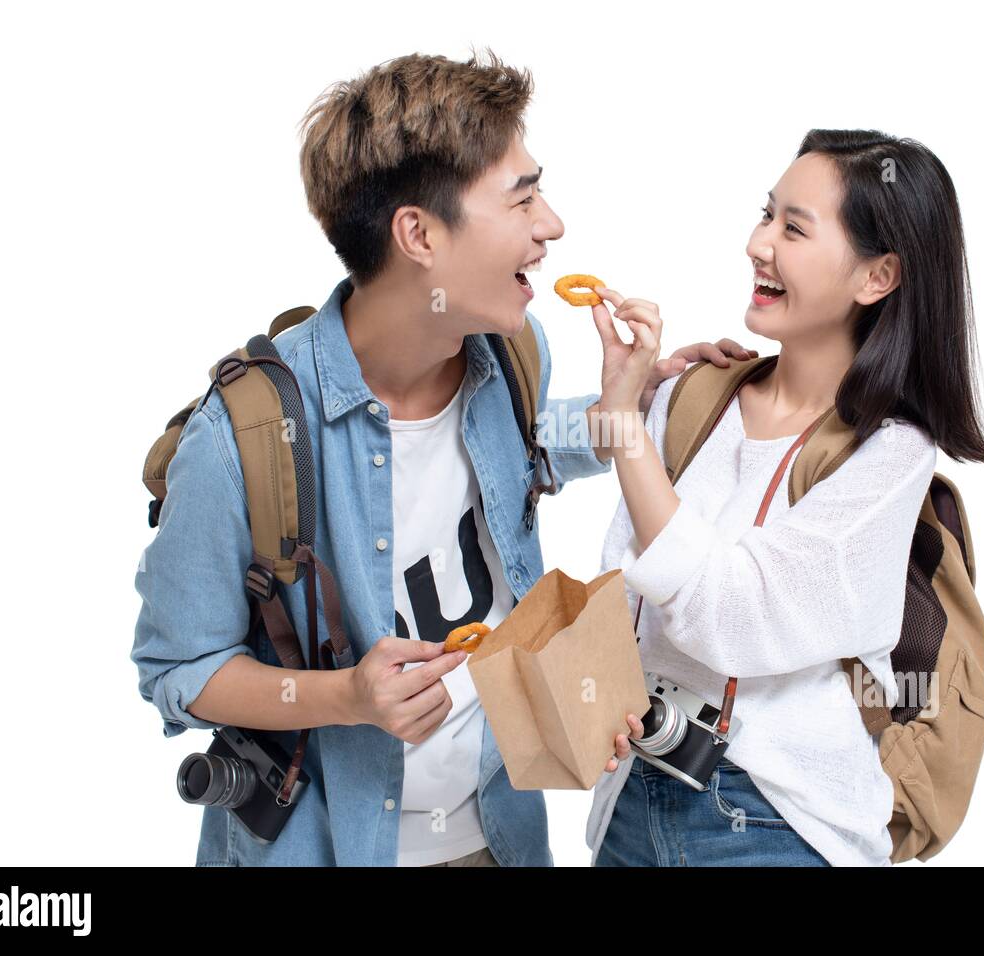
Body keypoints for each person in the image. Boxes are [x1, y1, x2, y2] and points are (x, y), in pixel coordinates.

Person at [131, 51, 748, 867]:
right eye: (522, 195)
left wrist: (634, 407)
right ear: (418, 234)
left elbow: (523, 451)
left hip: (500, 837)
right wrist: (346, 698)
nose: (552, 224)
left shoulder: (510, 351)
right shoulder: (240, 440)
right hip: (326, 847)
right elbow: (179, 667)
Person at [584, 129, 984, 866]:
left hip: (774, 823)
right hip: (631, 795)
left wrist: (625, 429)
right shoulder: (691, 394)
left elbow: (733, 617)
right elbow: (622, 579)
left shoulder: (888, 452)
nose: (758, 243)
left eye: (793, 227)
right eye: (765, 214)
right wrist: (636, 402)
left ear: (877, 277)